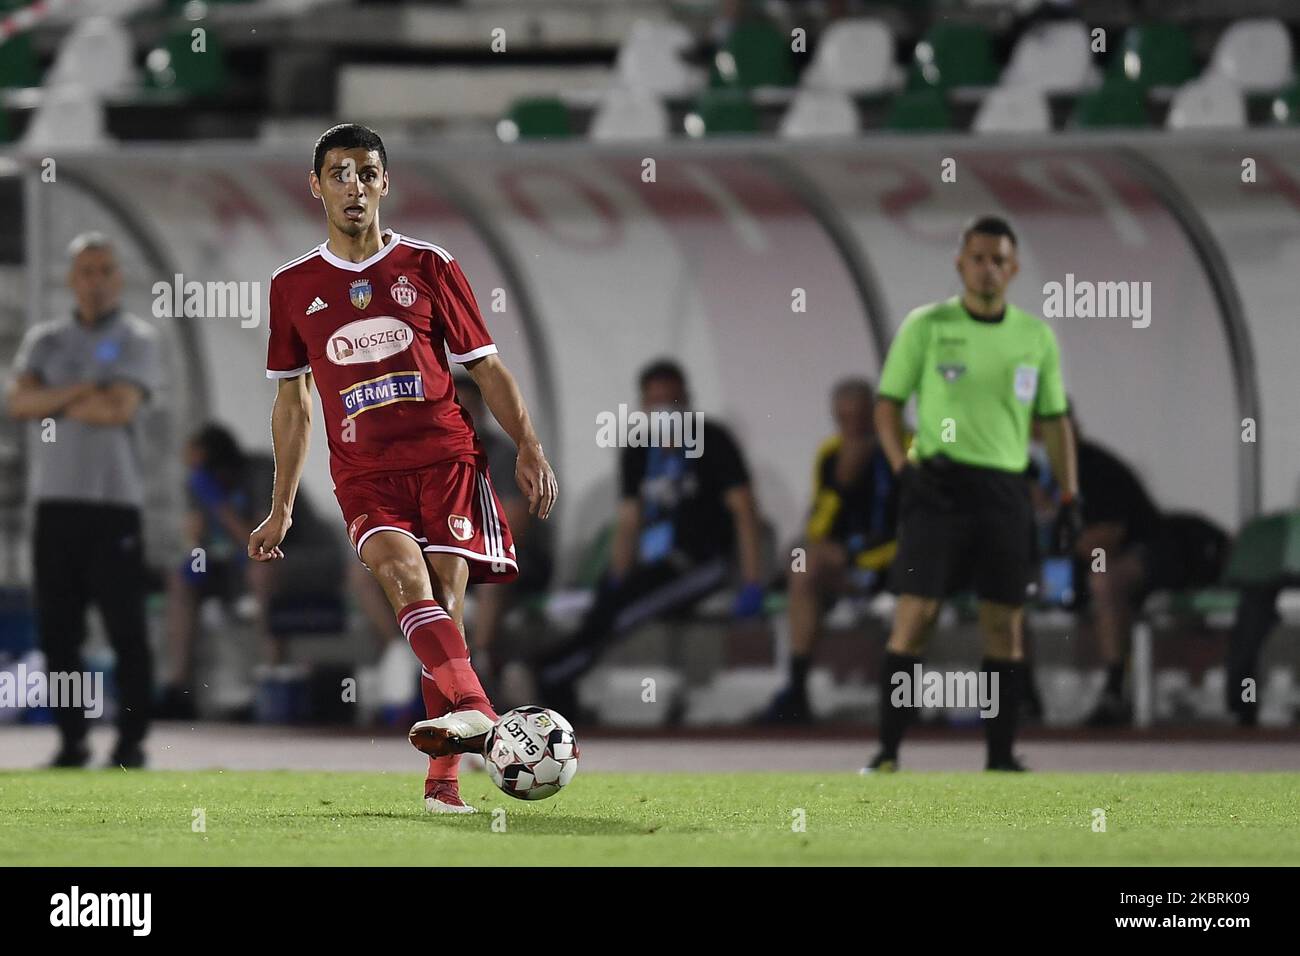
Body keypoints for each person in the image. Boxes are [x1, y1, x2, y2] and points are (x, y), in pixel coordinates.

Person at [249, 124, 557, 814]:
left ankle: (441, 786)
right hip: (365, 473)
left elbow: (486, 366)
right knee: (398, 574)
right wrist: (283, 506)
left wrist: (530, 444)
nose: (353, 186)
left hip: (445, 459)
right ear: (316, 186)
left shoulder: (430, 266)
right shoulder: (293, 286)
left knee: (445, 608)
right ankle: (479, 709)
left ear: (385, 183)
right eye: (338, 173)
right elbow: (294, 402)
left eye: (365, 172)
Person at [864, 215, 1079, 773]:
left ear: (1014, 270)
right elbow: (886, 405)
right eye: (978, 258)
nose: (988, 269)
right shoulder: (928, 325)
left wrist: (1071, 497)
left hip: (1004, 490)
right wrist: (900, 467)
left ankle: (1001, 759)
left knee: (1004, 624)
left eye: (998, 260)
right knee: (917, 615)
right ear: (960, 263)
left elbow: (1055, 422)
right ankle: (887, 752)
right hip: (937, 485)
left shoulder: (1035, 337)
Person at [6, 231, 161, 768]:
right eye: (85, 271)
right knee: (58, 631)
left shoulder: (137, 338)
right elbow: (21, 403)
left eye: (104, 270)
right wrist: (82, 389)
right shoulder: (44, 340)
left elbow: (118, 408)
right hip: (56, 504)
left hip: (114, 504)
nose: (95, 281)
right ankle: (72, 739)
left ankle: (131, 740)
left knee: (125, 627)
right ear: (71, 280)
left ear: (117, 278)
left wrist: (55, 396)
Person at [534, 359, 766, 719]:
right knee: (611, 602)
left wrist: (752, 581)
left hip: (702, 563)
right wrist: (615, 577)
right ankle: (553, 680)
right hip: (656, 564)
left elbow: (745, 512)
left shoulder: (713, 441)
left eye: (671, 403)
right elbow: (629, 522)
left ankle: (549, 675)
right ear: (643, 406)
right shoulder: (638, 451)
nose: (664, 412)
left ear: (686, 401)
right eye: (655, 403)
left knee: (624, 612)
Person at [756, 377, 899, 724]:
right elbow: (818, 525)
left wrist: (857, 557)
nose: (853, 427)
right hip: (844, 567)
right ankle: (797, 689)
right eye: (844, 419)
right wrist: (842, 481)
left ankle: (903, 700)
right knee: (801, 565)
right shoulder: (830, 454)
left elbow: (913, 528)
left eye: (861, 417)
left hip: (896, 565)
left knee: (810, 560)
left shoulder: (905, 449)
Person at [158, 423, 277, 719]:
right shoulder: (199, 483)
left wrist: (220, 507)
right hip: (224, 564)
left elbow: (260, 540)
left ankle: (269, 682)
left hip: (274, 558)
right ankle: (178, 687)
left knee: (259, 573)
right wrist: (196, 533)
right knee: (182, 579)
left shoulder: (258, 473)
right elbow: (197, 538)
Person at [454, 375, 552, 687]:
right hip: (453, 554)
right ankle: (401, 655)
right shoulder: (427, 456)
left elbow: (511, 525)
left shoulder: (501, 455)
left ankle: (478, 663)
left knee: (491, 568)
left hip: (508, 557)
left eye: (468, 409)